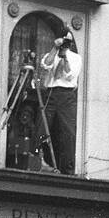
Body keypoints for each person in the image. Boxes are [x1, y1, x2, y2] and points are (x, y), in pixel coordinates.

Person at [39, 34, 80, 174]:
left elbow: (70, 75)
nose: (64, 45)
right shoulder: (52, 54)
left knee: (67, 131)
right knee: (42, 126)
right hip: (51, 92)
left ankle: (67, 168)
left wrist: (65, 57)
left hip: (66, 95)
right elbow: (45, 65)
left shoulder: (75, 58)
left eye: (67, 43)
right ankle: (38, 161)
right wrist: (54, 49)